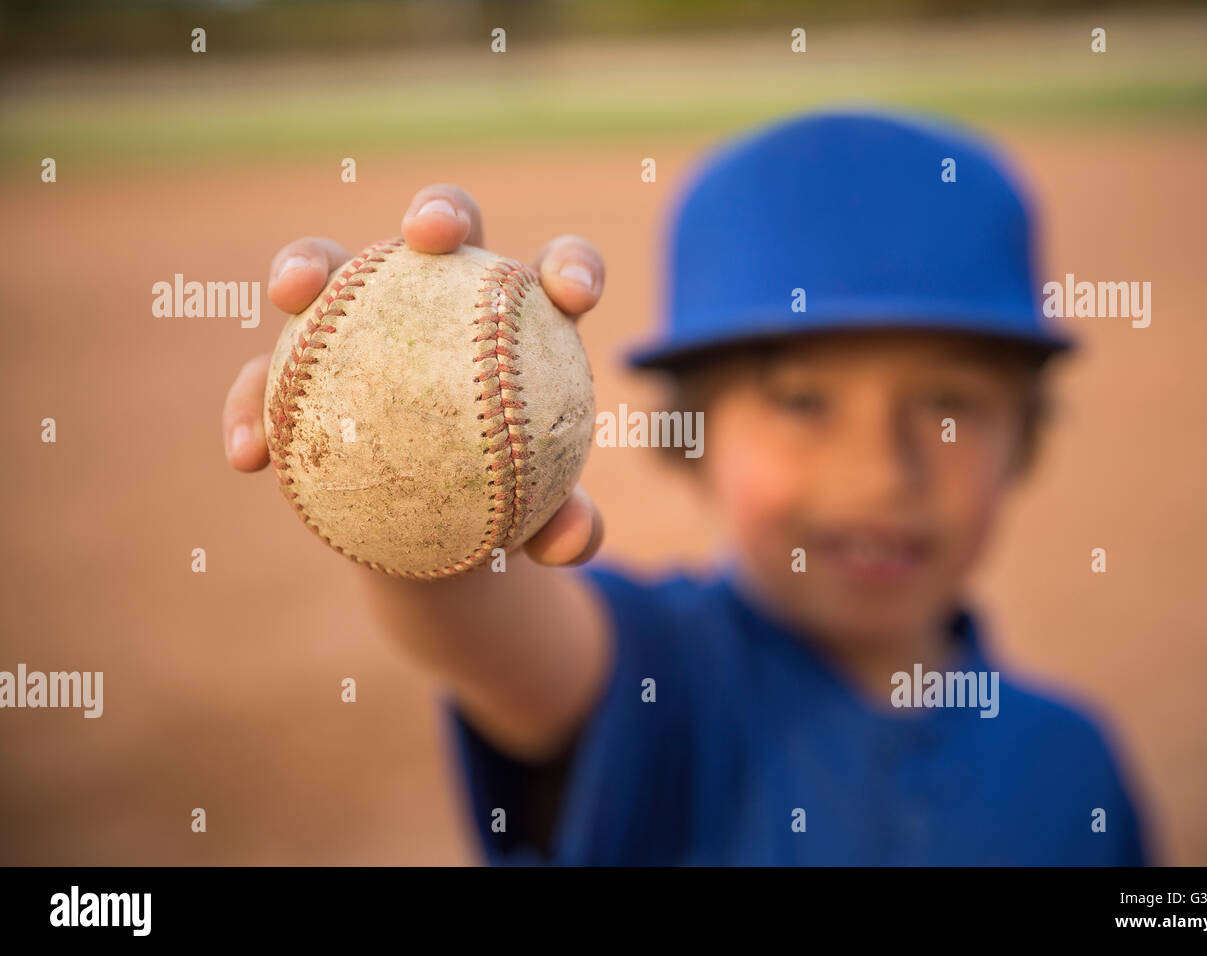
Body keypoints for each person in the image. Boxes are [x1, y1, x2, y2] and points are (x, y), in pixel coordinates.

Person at [222, 108, 1150, 865]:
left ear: (1025, 436)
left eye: (948, 402)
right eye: (801, 400)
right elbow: (496, 639)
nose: (880, 470)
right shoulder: (665, 684)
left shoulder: (1080, 768)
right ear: (689, 436)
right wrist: (412, 488)